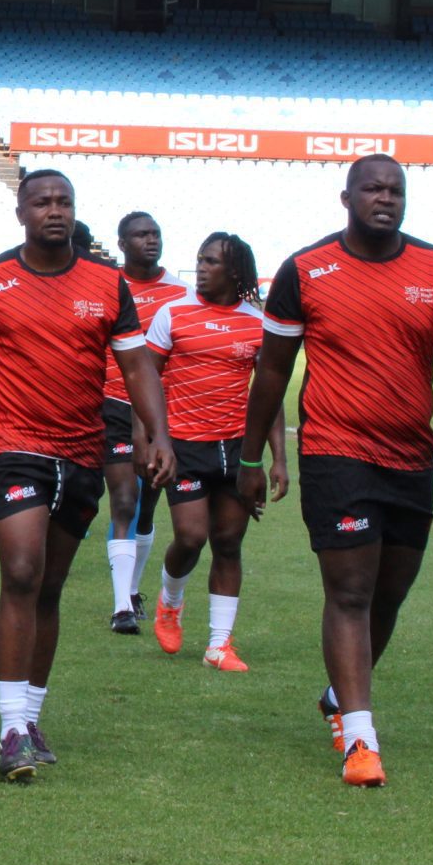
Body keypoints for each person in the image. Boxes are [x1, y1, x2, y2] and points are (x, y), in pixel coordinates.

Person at [237, 155, 433, 788]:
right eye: (373, 188)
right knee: (349, 591)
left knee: (389, 595)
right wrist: (250, 456)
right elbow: (272, 369)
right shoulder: (306, 269)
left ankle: (338, 694)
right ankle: (359, 738)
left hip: (410, 455)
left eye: (396, 190)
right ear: (346, 196)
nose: (387, 198)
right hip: (335, 449)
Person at [0, 169, 174, 780]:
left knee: (49, 587)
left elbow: (137, 364)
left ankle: (32, 716)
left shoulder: (106, 284)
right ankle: (10, 725)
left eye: (64, 201)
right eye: (41, 201)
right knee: (21, 570)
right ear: (20, 212)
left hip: (82, 452)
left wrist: (158, 432)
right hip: (13, 447)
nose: (54, 210)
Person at [144, 233, 286, 671]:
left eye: (211, 262)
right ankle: (170, 602)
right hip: (183, 446)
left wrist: (276, 458)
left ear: (236, 272)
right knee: (191, 537)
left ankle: (218, 645)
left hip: (236, 451)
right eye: (200, 260)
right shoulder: (172, 312)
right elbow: (144, 380)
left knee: (228, 542)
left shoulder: (258, 323)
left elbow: (270, 397)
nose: (201, 268)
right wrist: (150, 440)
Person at [99, 212, 188, 634]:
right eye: (140, 235)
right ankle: (120, 607)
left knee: (148, 508)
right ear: (121, 243)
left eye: (155, 233)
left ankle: (133, 591)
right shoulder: (107, 287)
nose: (150, 241)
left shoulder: (180, 293)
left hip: (158, 413)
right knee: (123, 501)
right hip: (112, 406)